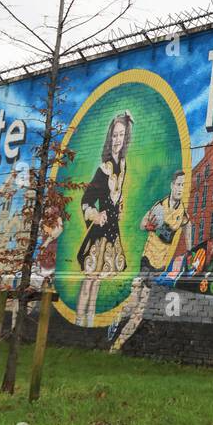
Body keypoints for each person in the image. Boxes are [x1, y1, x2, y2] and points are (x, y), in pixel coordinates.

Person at [109, 170, 192, 352]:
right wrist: (149, 226)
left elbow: (188, 225)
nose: (180, 188)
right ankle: (117, 320)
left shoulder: (182, 211)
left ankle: (115, 348)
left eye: (183, 185)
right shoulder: (160, 206)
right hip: (147, 261)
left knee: (139, 313)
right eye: (178, 184)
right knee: (132, 303)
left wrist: (189, 249)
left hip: (159, 266)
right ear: (172, 186)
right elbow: (142, 223)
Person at [75, 111, 132, 328]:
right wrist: (95, 215)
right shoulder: (104, 169)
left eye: (121, 135)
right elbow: (86, 199)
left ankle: (88, 323)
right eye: (114, 135)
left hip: (112, 230)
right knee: (89, 279)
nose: (117, 140)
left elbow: (119, 194)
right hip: (99, 231)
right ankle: (79, 321)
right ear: (110, 138)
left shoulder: (123, 165)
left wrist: (120, 207)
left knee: (97, 281)